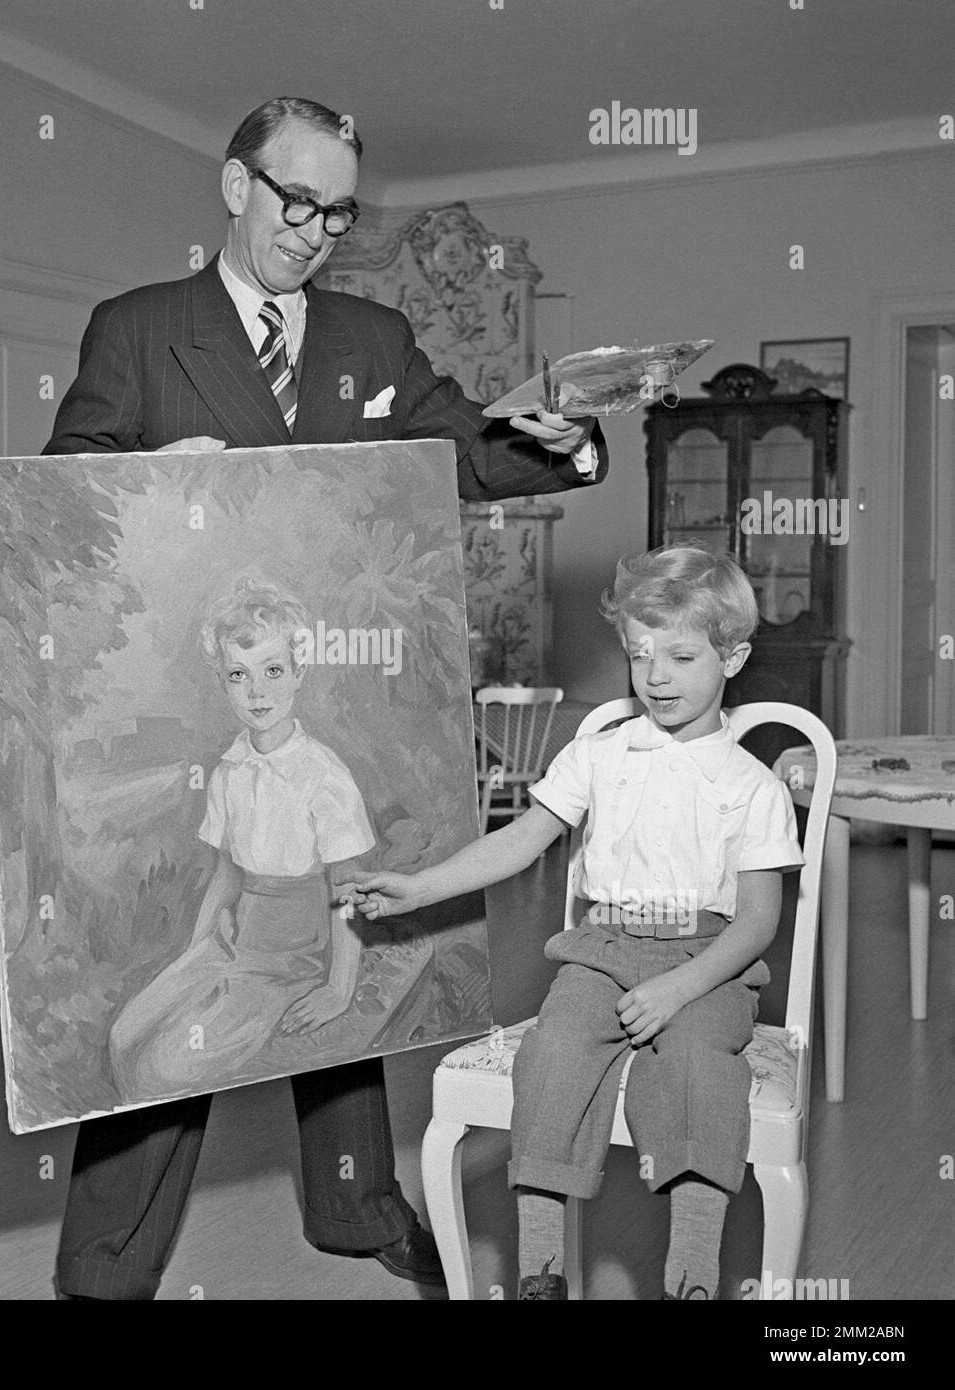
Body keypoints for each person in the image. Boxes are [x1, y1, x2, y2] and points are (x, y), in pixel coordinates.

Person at [42, 95, 609, 1301]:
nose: (315, 230)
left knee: (344, 941)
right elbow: (60, 508)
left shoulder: (369, 338)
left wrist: (573, 438)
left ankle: (353, 1204)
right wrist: (142, 480)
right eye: (296, 199)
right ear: (235, 185)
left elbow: (466, 447)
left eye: (339, 211)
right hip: (203, 696)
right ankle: (103, 1268)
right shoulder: (138, 332)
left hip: (341, 685)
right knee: (186, 976)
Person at [342, 546, 804, 1300]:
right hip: (602, 949)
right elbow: (520, 840)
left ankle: (689, 1279)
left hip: (706, 957)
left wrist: (678, 989)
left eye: (681, 656)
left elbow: (755, 923)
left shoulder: (752, 787)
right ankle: (540, 1272)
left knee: (694, 1068)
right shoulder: (600, 753)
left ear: (733, 656)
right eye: (638, 654)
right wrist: (416, 888)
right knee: (551, 1053)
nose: (655, 677)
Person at [109, 574, 375, 1098]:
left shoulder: (325, 777)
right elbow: (226, 875)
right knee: (122, 1036)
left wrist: (339, 989)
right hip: (229, 943)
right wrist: (195, 960)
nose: (257, 691)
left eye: (273, 670)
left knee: (165, 1069)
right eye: (239, 674)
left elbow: (350, 889)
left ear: (300, 672)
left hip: (289, 960)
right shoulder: (229, 771)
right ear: (223, 682)